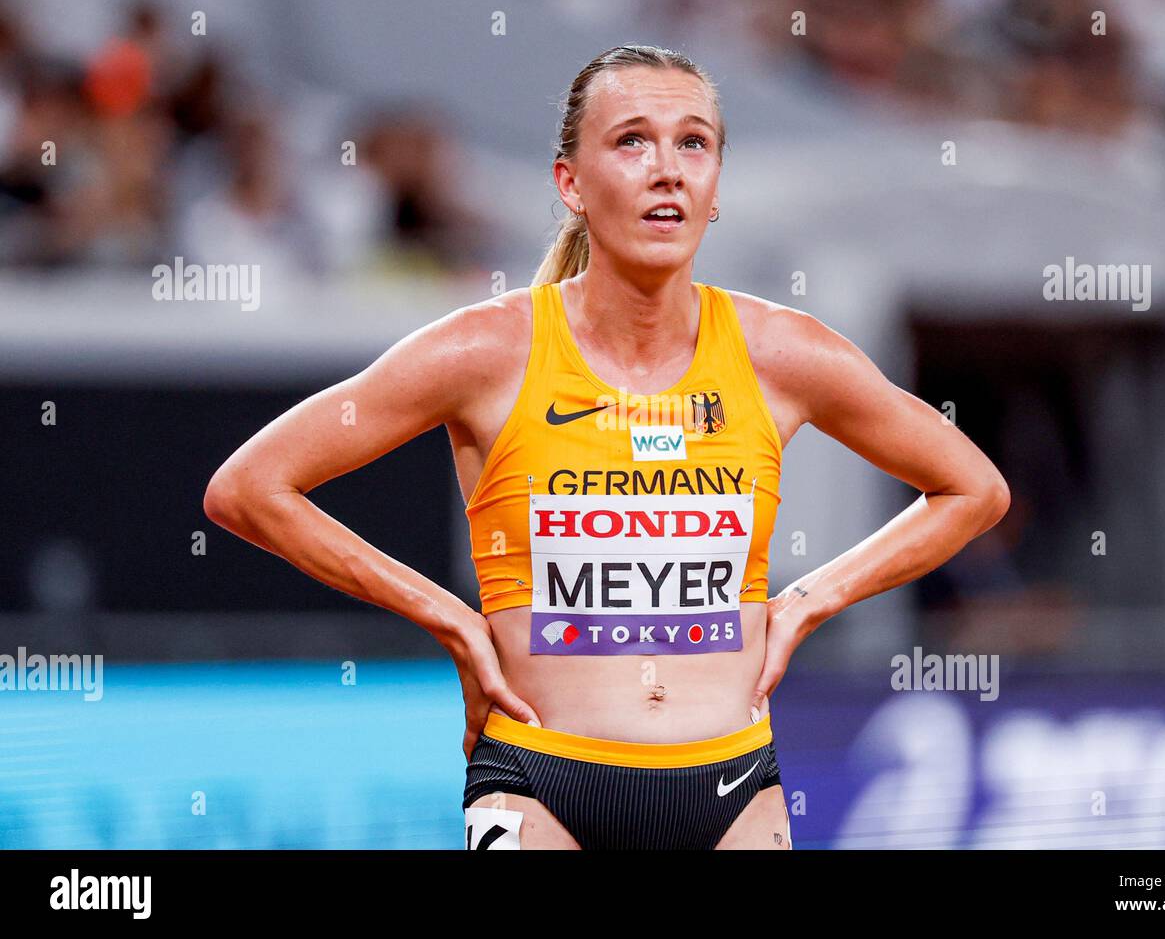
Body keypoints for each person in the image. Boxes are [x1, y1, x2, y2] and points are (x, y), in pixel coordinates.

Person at [203, 44, 1010, 850]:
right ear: (571, 183)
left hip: (731, 785)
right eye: (632, 141)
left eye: (694, 143)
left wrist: (808, 603)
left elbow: (973, 489)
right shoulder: (487, 352)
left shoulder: (782, 354)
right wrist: (447, 617)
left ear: (716, 184)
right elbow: (249, 488)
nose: (668, 170)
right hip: (539, 779)